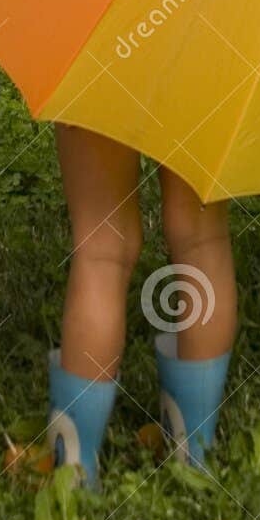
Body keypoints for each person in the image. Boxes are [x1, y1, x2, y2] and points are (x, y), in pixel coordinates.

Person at [46, 124, 236, 487]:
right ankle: (194, 454)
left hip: (99, 70)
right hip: (211, 71)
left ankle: (74, 476)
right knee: (202, 236)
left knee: (101, 247)